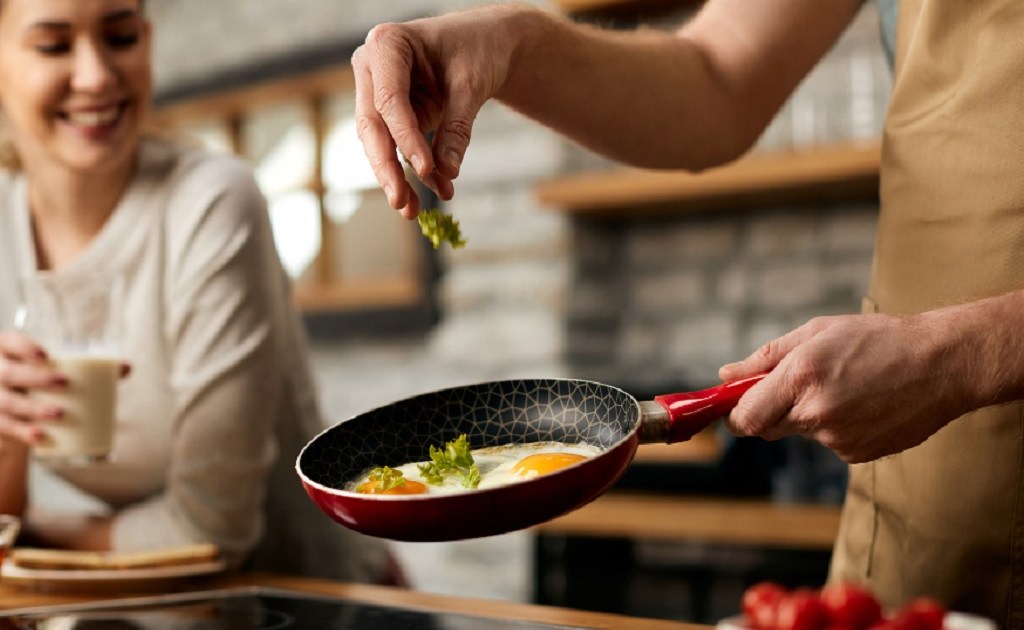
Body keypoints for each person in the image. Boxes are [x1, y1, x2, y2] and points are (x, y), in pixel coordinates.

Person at [351, 0, 1024, 625]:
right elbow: (719, 75)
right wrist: (512, 42)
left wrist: (962, 352)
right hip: (942, 467)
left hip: (936, 383)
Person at [0, 0, 389, 582]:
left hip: (305, 600)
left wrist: (41, 530)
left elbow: (213, 535)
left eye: (119, 37)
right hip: (141, 606)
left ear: (145, 40)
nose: (95, 75)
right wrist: (5, 443)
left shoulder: (211, 202)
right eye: (54, 45)